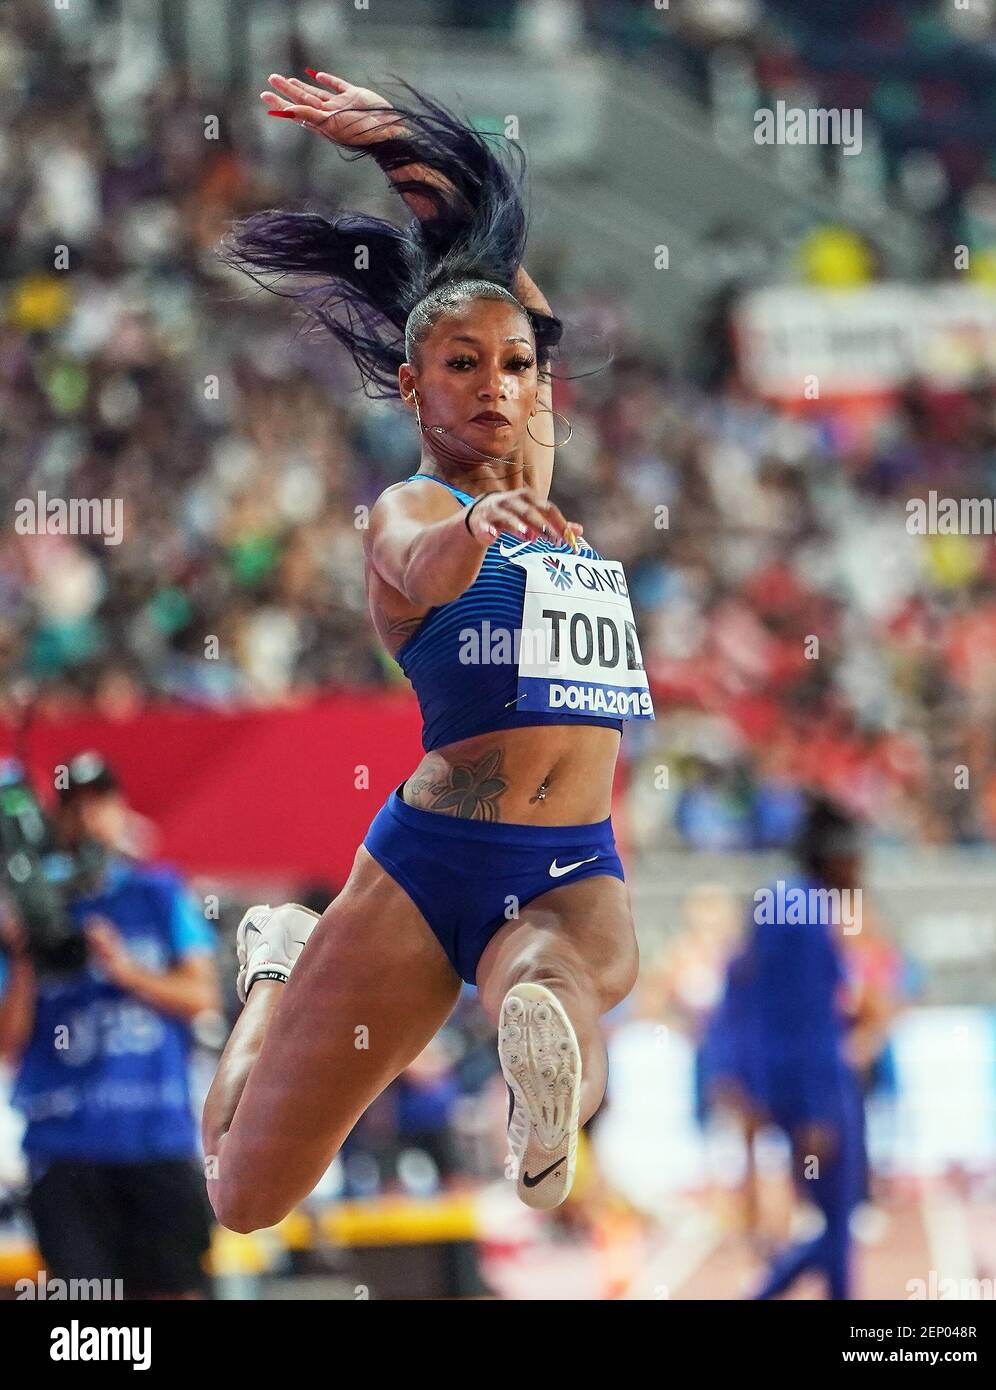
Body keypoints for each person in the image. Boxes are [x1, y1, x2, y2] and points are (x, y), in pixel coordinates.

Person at [202, 69, 652, 1226]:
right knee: (244, 1190)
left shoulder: (536, 462)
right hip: (424, 866)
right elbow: (423, 565)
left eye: (516, 366)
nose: (497, 387)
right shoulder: (411, 509)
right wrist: (475, 528)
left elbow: (491, 272)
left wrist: (397, 140)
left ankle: (544, 1118)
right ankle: (274, 968)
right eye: (463, 366)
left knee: (558, 985)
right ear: (412, 385)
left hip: (570, 860)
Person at [0, 752, 219, 1297]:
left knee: (173, 1289)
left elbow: (202, 996)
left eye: (102, 802)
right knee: (89, 1311)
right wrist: (26, 954)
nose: (91, 817)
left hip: (155, 1138)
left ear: (121, 809)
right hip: (66, 1149)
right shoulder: (33, 908)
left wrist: (126, 971)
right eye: (76, 805)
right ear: (59, 817)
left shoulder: (156, 893)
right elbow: (8, 1044)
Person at [702, 797, 865, 1299]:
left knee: (837, 1220)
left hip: (793, 1080)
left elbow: (742, 989)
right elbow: (804, 1016)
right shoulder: (805, 909)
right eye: (856, 857)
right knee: (838, 1220)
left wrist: (735, 1072)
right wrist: (815, 1108)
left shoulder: (786, 899)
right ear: (833, 855)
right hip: (815, 1086)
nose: (862, 871)